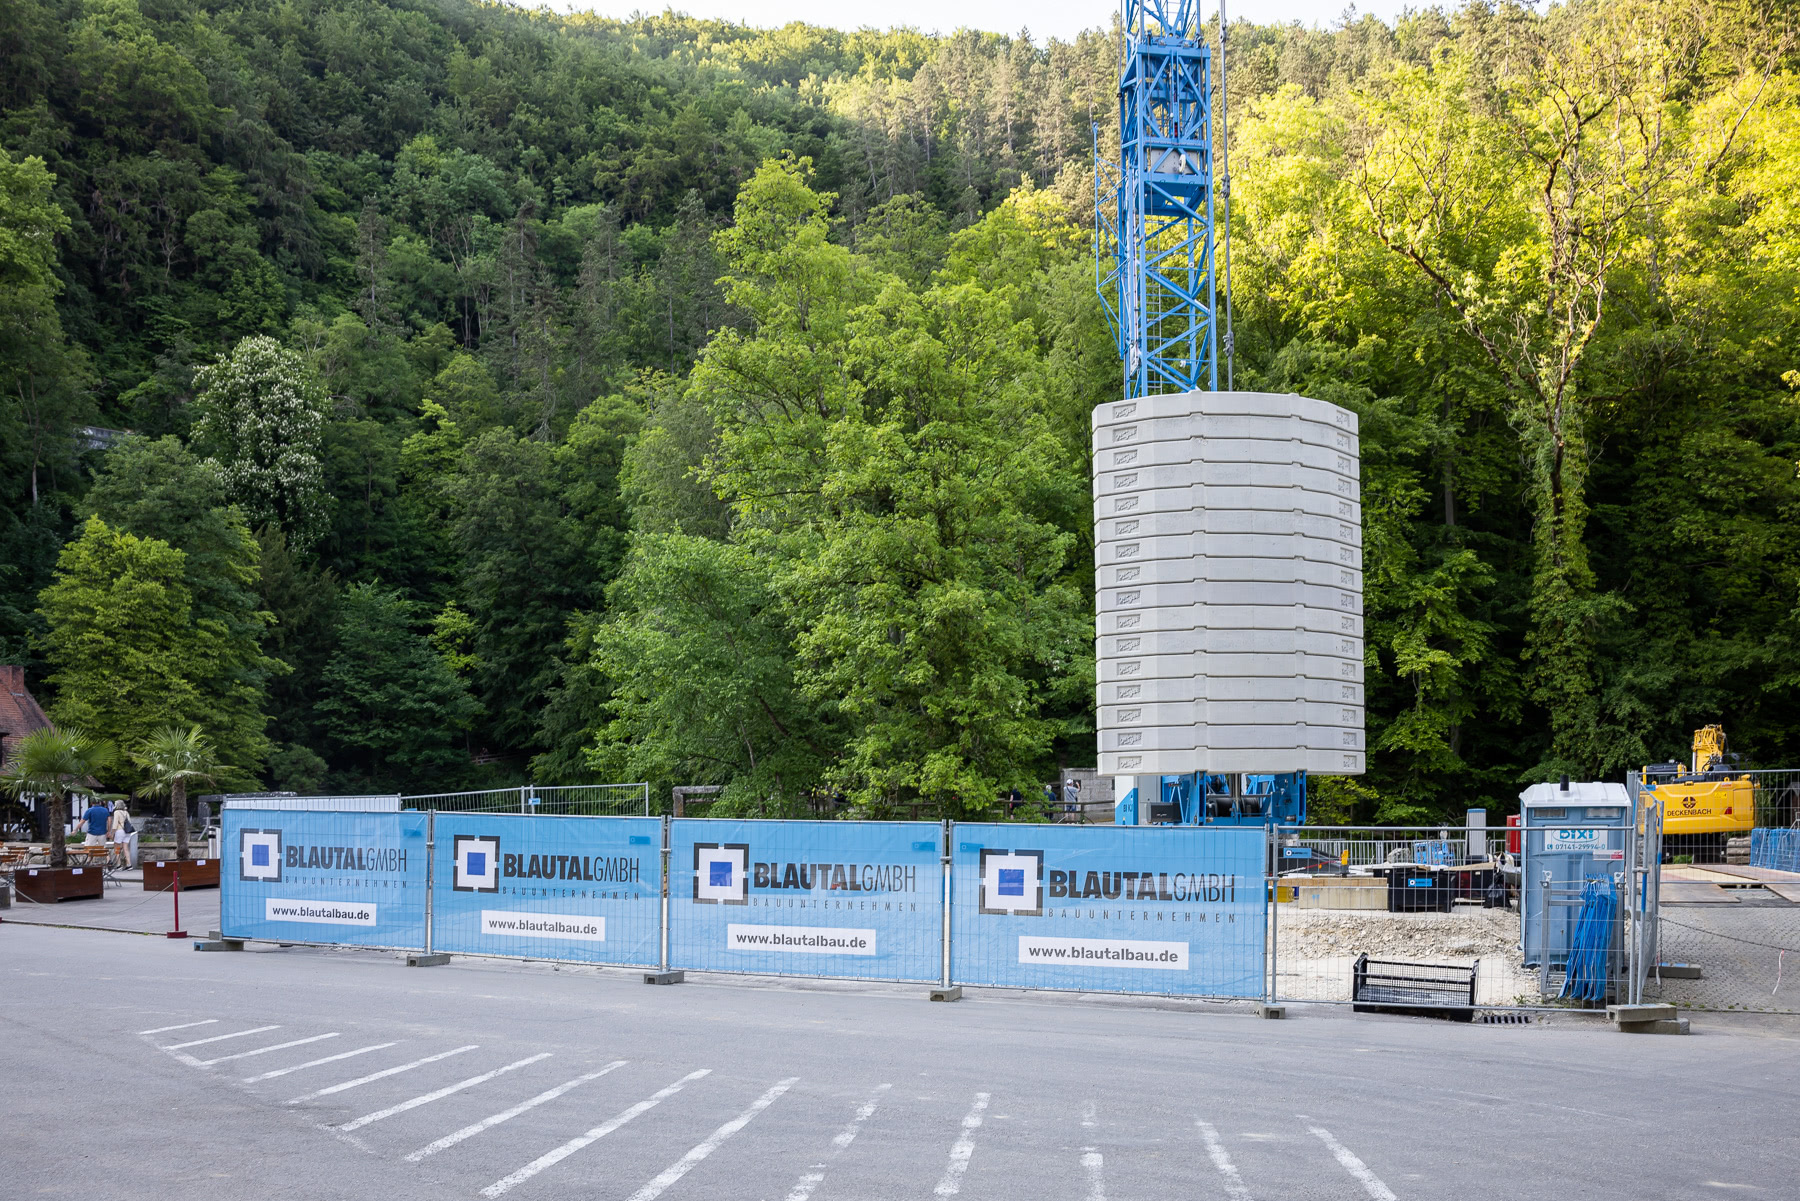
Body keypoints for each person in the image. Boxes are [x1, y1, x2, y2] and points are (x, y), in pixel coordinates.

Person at [109, 800, 135, 867]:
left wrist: (112, 833)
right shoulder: (126, 812)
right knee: (126, 848)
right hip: (127, 832)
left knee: (116, 848)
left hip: (119, 831)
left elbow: (115, 825)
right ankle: (129, 864)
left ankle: (118, 864)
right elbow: (129, 822)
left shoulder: (116, 812)